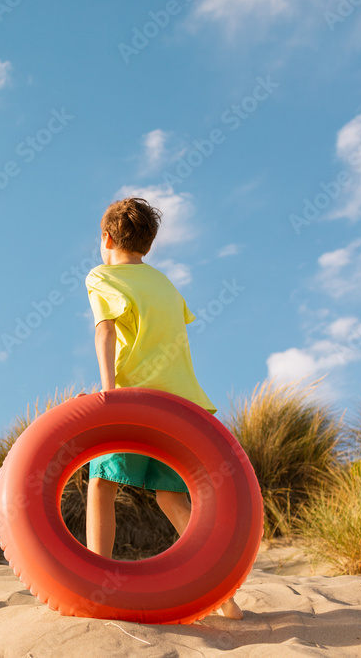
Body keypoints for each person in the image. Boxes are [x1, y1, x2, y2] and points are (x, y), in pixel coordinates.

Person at [80, 196, 243, 620]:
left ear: (107, 238)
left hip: (136, 399)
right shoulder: (166, 284)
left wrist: (108, 393)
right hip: (184, 406)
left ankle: (95, 583)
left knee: (102, 482)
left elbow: (105, 332)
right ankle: (225, 594)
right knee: (171, 497)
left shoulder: (102, 275)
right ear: (147, 246)